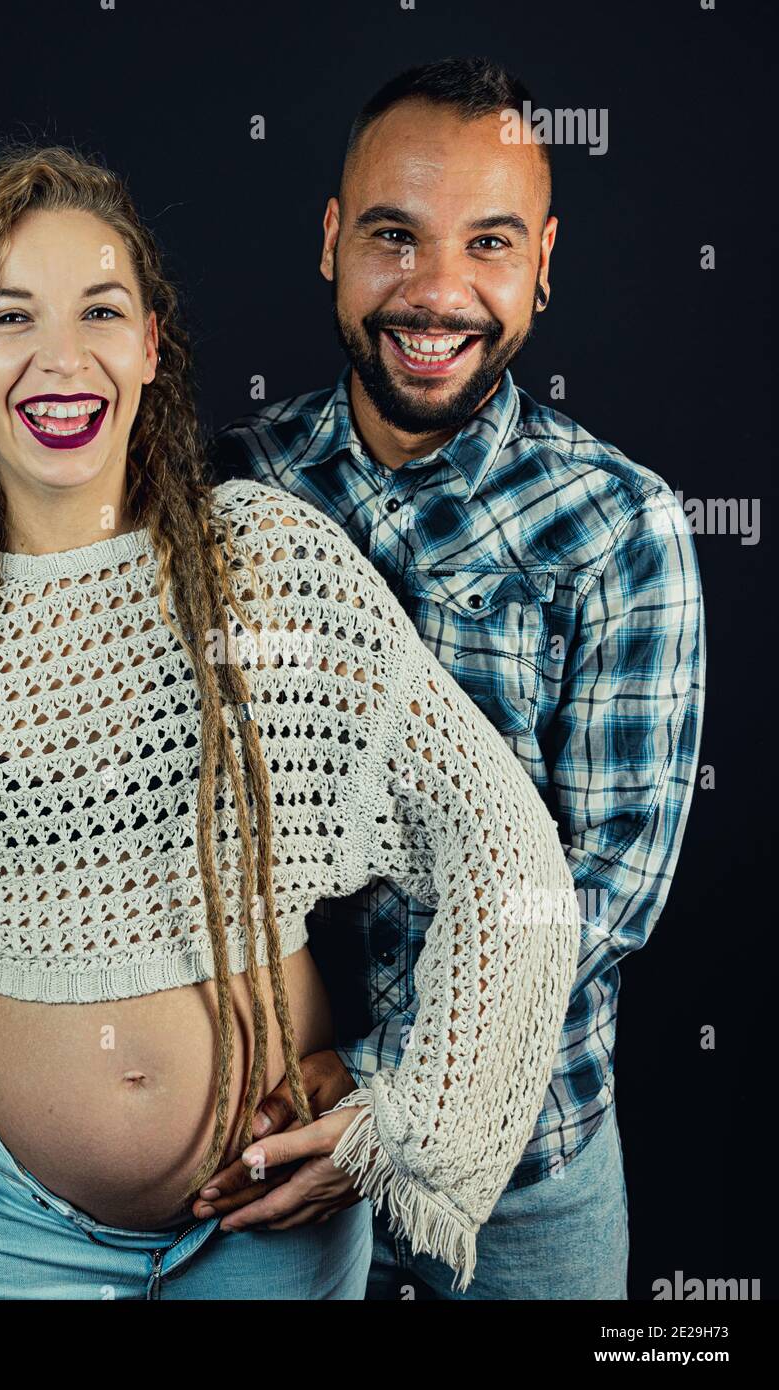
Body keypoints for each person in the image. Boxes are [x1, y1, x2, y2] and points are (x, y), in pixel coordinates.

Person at [0, 143, 581, 1299]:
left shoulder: (263, 560)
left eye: (99, 309)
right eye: (10, 317)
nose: (61, 358)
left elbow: (506, 854)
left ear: (149, 345)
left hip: (263, 1229)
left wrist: (400, 1124)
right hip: (6, 1224)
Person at [194, 58, 706, 1300]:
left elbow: (607, 887)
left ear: (541, 260)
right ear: (330, 242)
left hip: (526, 1167)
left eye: (486, 242)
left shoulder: (619, 527)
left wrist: (393, 1090)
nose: (434, 291)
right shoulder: (226, 497)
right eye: (391, 237)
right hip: (266, 1153)